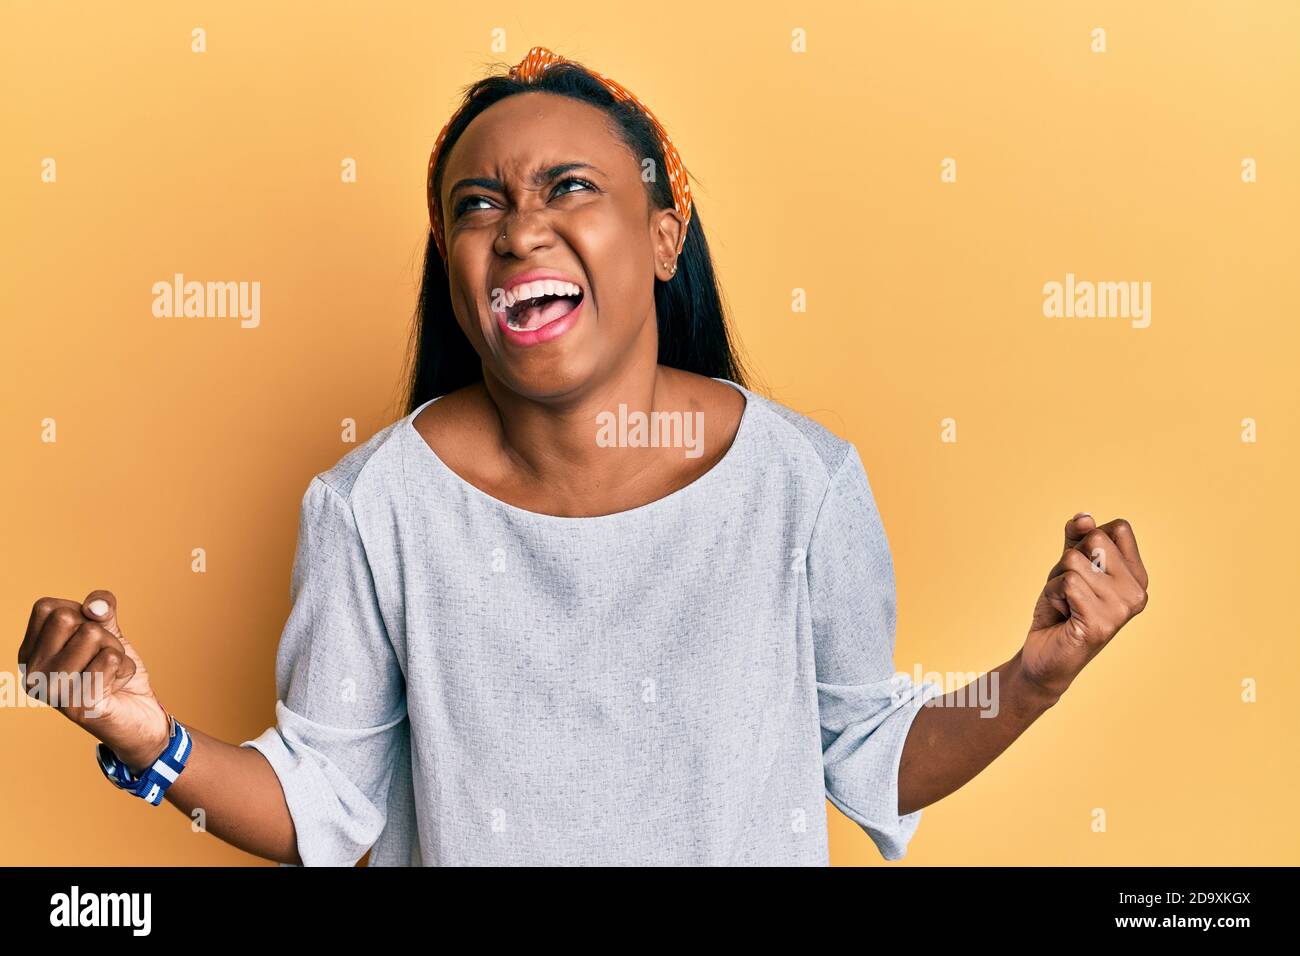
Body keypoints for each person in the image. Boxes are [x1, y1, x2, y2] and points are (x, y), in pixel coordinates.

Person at [17, 47, 1149, 866]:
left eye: (569, 188)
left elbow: (863, 750)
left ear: (662, 237)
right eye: (478, 205)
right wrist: (145, 737)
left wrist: (1031, 679)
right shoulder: (373, 508)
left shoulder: (800, 481)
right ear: (457, 264)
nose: (517, 229)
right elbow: (323, 800)